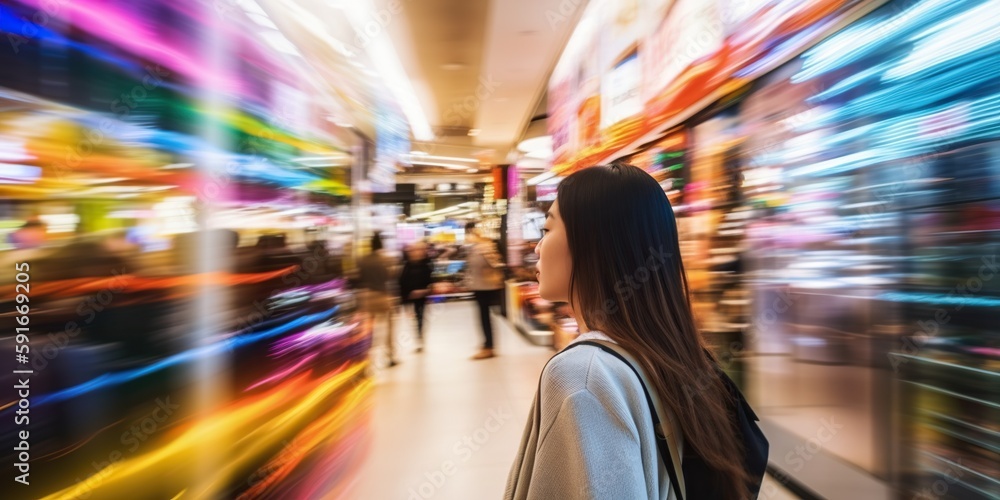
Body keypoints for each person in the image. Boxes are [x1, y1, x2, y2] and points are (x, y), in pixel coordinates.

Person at [505, 164, 754, 499]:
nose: (537, 248)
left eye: (547, 229)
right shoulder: (676, 357)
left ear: (592, 244)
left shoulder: (584, 376)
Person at [464, 221, 505, 360]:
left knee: (485, 317)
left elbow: (497, 264)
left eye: (473, 232)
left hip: (486, 287)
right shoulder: (476, 247)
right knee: (482, 317)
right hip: (479, 286)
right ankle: (487, 343)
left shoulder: (486, 247)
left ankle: (489, 347)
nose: (471, 234)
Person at [357, 232, 399, 367]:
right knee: (389, 326)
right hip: (383, 295)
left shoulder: (363, 260)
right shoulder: (385, 259)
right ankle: (390, 356)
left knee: (370, 329)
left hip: (368, 296)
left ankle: (367, 359)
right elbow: (389, 277)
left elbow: (359, 278)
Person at [398, 241, 434, 352]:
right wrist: (404, 300)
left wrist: (425, 291)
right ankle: (418, 337)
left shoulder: (426, 265)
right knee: (413, 319)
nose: (416, 253)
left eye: (419, 250)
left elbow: (430, 281)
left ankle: (419, 338)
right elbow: (402, 282)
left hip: (421, 297)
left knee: (420, 318)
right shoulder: (407, 266)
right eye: (414, 250)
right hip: (410, 297)